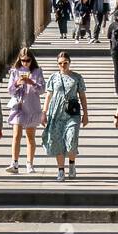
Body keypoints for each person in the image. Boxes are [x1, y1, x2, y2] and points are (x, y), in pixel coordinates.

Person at [41, 51, 89, 181]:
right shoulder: (53, 77)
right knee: (57, 141)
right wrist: (44, 112)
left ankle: (72, 164)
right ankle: (61, 170)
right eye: (60, 63)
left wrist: (86, 114)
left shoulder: (77, 77)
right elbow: (48, 96)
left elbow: (82, 96)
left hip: (72, 113)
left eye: (65, 63)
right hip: (56, 113)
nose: (63, 65)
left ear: (69, 62)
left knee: (71, 139)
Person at [5, 46, 44, 173]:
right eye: (23, 60)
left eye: (27, 60)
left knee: (30, 137)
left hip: (32, 106)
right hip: (18, 106)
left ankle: (29, 163)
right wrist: (17, 83)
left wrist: (31, 82)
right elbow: (10, 90)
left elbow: (42, 89)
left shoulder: (37, 71)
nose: (25, 63)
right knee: (16, 135)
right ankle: (14, 163)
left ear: (32, 60)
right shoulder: (15, 71)